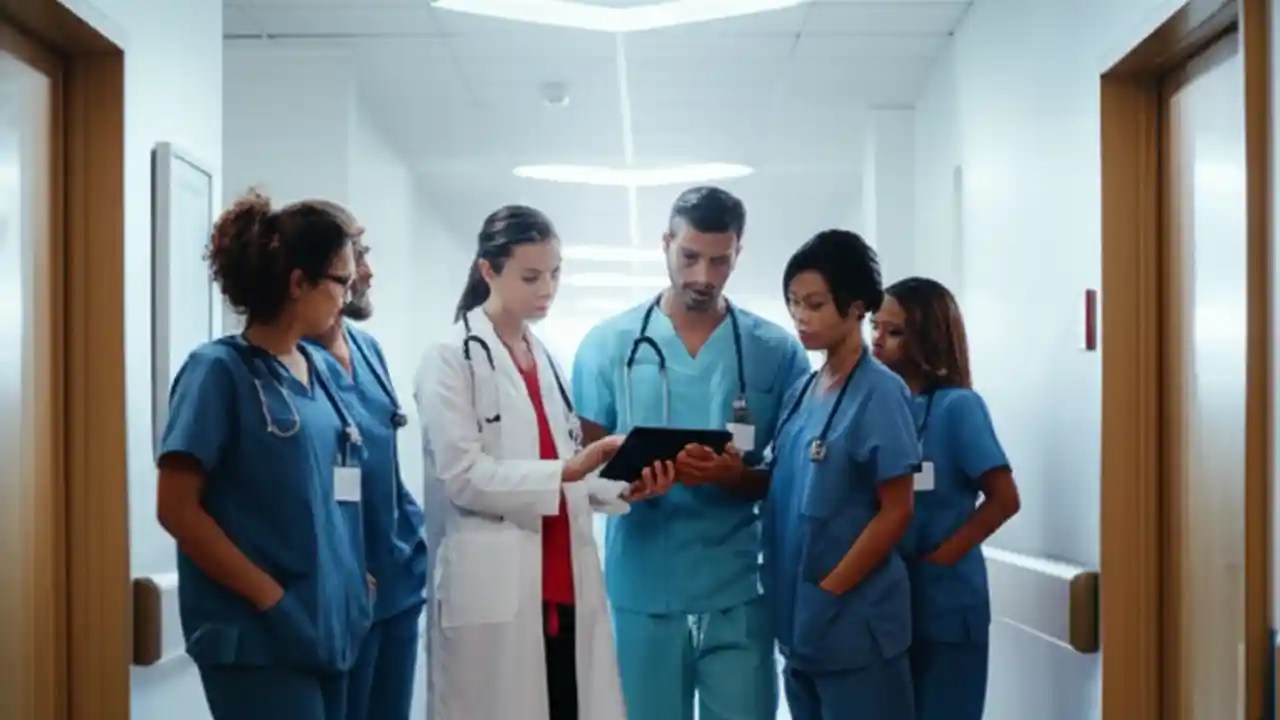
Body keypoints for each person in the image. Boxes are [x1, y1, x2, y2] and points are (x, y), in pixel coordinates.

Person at [414, 204, 676, 720]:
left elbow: (564, 473)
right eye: (531, 276)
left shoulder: (548, 358)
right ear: (488, 271)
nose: (547, 288)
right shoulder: (449, 357)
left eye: (555, 273)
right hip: (496, 592)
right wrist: (571, 470)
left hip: (561, 585)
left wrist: (623, 487)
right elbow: (464, 477)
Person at [572, 186, 812, 720]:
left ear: (738, 254)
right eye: (690, 257)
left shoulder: (775, 352)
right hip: (643, 591)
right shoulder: (607, 346)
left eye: (720, 260)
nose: (704, 275)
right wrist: (624, 486)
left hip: (737, 587)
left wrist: (735, 477)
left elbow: (793, 479)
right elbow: (581, 476)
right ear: (665, 244)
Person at [155, 189, 373, 719]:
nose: (349, 294)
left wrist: (354, 583)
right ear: (299, 282)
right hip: (258, 637)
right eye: (341, 280)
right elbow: (177, 509)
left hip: (329, 625)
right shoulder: (218, 372)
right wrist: (268, 596)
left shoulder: (318, 369)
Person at [761, 229, 919, 720]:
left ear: (855, 308)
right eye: (792, 303)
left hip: (855, 634)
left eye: (814, 304)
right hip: (800, 632)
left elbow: (897, 511)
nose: (799, 318)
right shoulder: (802, 392)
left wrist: (827, 592)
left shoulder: (881, 393)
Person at [872, 277, 1021, 720]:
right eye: (876, 327)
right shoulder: (881, 405)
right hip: (891, 606)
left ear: (927, 338)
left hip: (947, 606)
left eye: (894, 332)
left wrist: (943, 557)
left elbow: (1004, 499)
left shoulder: (958, 408)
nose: (878, 340)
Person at [304, 227, 429, 720]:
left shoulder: (368, 350)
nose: (367, 271)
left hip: (397, 582)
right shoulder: (285, 360)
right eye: (356, 257)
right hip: (338, 593)